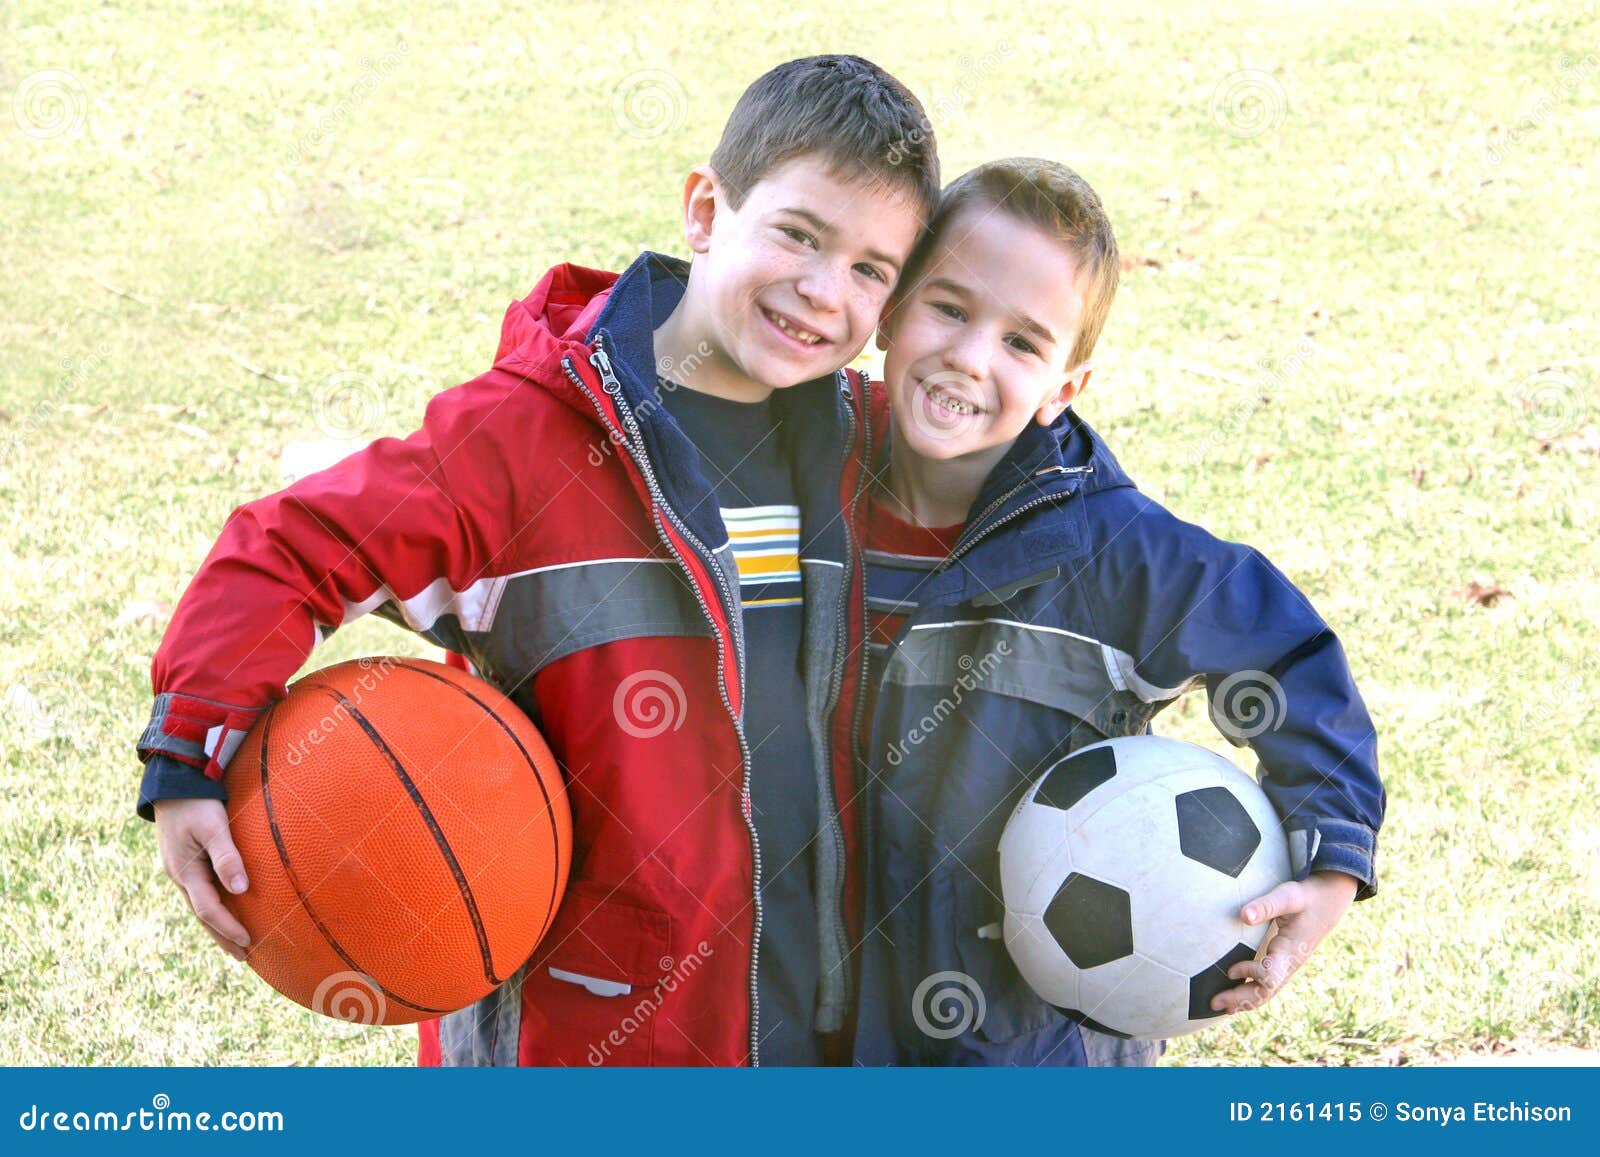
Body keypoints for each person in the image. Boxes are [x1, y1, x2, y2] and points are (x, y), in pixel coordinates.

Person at [134, 54, 939, 1066]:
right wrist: (189, 752)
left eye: (872, 269)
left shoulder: (871, 453)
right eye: (798, 234)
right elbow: (289, 546)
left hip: (815, 1039)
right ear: (704, 210)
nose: (825, 291)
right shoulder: (524, 443)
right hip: (587, 1041)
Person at [845, 157, 1385, 1065]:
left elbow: (1287, 656)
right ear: (892, 309)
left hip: (1027, 1053)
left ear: (1066, 386)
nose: (972, 357)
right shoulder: (799, 490)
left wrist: (1331, 860)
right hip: (811, 1024)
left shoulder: (1114, 551)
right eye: (950, 307)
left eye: (1023, 342)